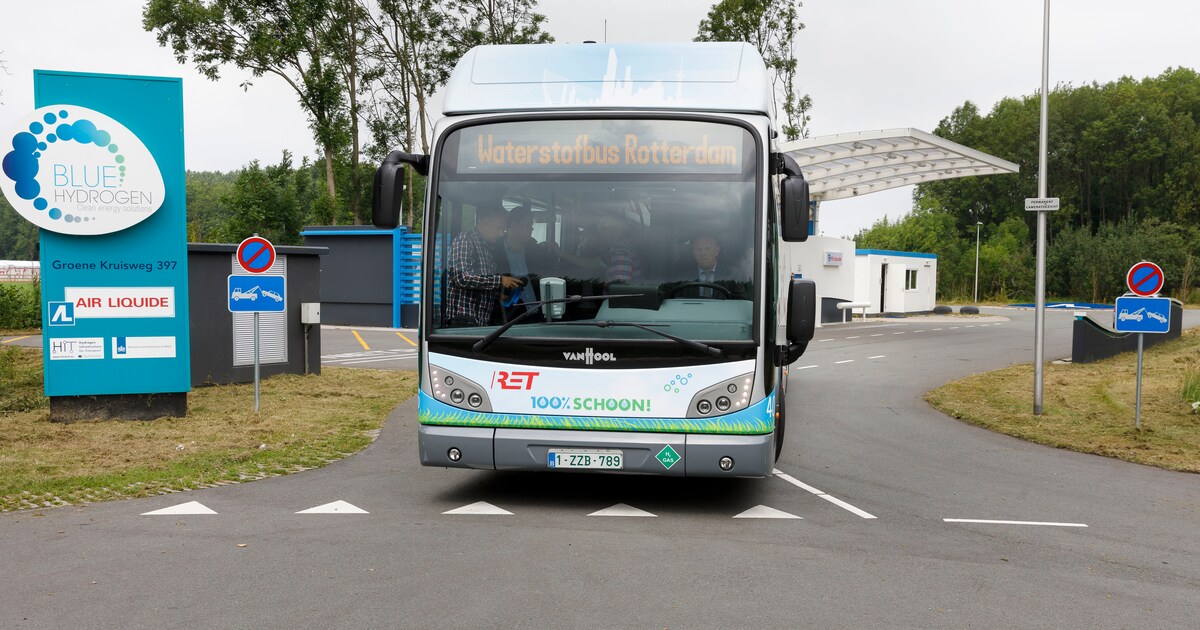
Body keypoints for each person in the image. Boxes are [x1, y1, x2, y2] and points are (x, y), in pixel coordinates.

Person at [444, 203, 523, 327]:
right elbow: (462, 278)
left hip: (479, 324)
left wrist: (497, 297)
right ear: (486, 221)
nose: (502, 234)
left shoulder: (486, 248)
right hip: (463, 322)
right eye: (499, 228)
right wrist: (500, 281)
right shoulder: (465, 240)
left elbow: (480, 285)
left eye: (504, 229)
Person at [493, 205, 547, 320]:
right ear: (514, 225)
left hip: (538, 315)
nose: (532, 229)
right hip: (509, 319)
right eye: (529, 225)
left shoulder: (537, 252)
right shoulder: (494, 253)